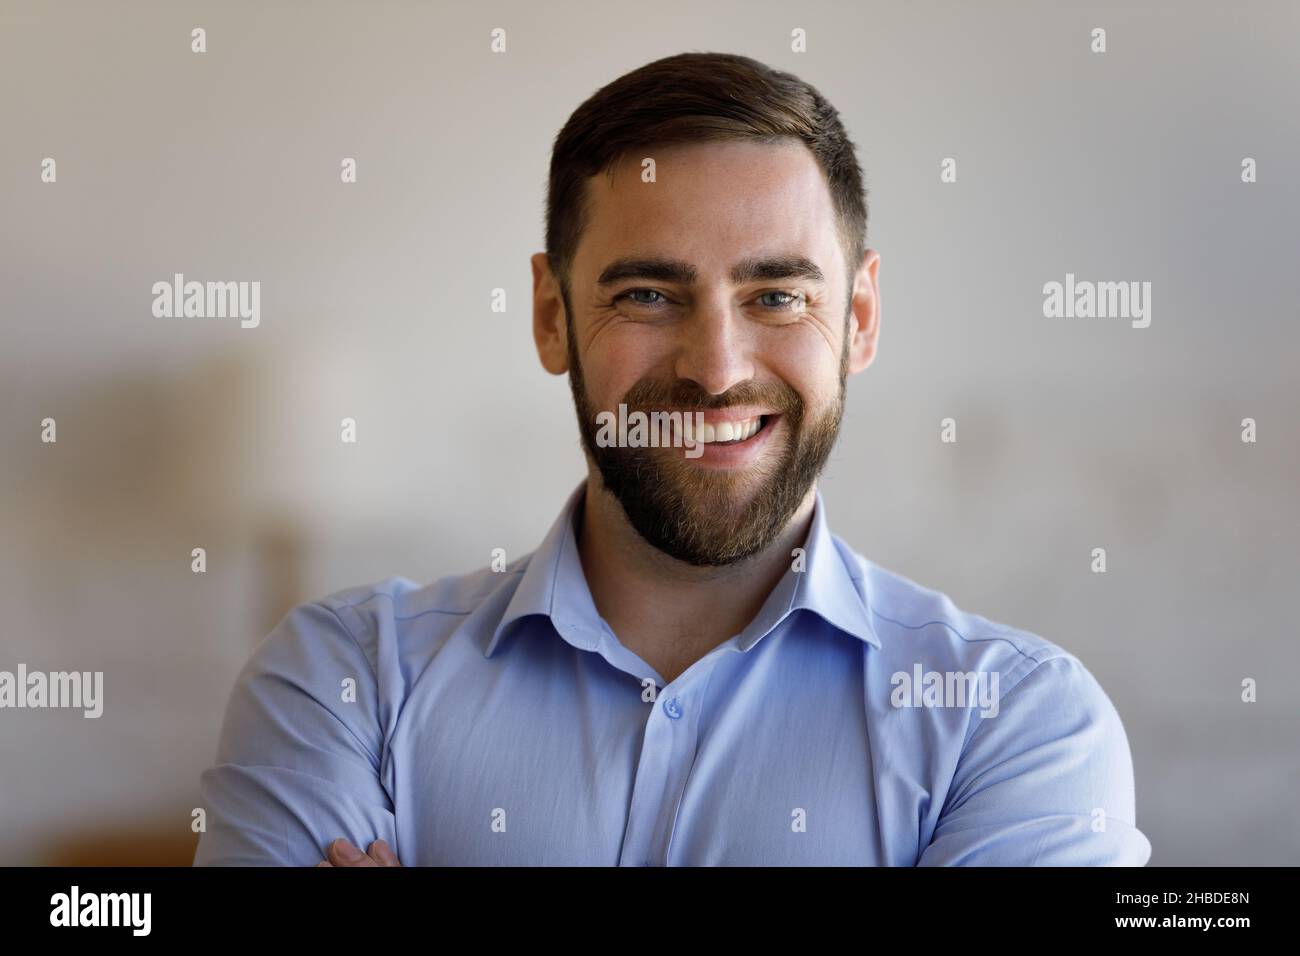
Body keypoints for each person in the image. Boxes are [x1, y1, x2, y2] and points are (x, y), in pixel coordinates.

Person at [194, 51, 1150, 867]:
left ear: (858, 318)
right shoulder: (341, 682)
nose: (716, 370)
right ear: (549, 315)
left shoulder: (1015, 724)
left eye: (777, 296)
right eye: (649, 295)